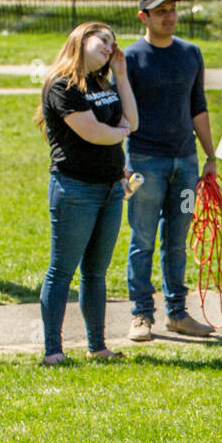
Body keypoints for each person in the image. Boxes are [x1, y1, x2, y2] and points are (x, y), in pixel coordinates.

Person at [34, 22, 139, 365]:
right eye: (103, 40)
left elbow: (133, 122)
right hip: (74, 188)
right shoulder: (61, 85)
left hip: (111, 188)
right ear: (81, 40)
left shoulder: (103, 81)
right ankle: (53, 350)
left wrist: (121, 75)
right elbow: (92, 132)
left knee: (96, 272)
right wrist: (118, 131)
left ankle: (98, 346)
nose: (110, 46)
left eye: (113, 41)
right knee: (61, 270)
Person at [123, 0, 217, 342]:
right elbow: (120, 115)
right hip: (145, 163)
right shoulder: (130, 59)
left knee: (177, 239)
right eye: (161, 11)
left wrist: (209, 156)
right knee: (143, 239)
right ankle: (141, 314)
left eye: (173, 10)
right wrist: (123, 164)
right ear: (143, 16)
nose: (169, 17)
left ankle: (177, 313)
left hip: (185, 164)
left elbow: (199, 107)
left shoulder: (191, 54)